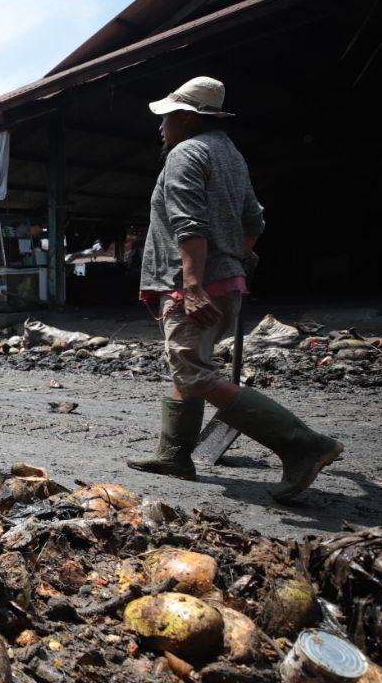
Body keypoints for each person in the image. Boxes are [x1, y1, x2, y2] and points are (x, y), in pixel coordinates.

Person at [126, 76, 342, 503]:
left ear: (187, 118)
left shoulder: (187, 154)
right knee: (189, 366)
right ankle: (174, 454)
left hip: (194, 284)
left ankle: (303, 445)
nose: (161, 127)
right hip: (226, 280)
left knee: (192, 370)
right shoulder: (230, 155)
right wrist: (240, 258)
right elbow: (254, 219)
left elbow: (189, 223)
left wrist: (191, 284)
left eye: (167, 117)